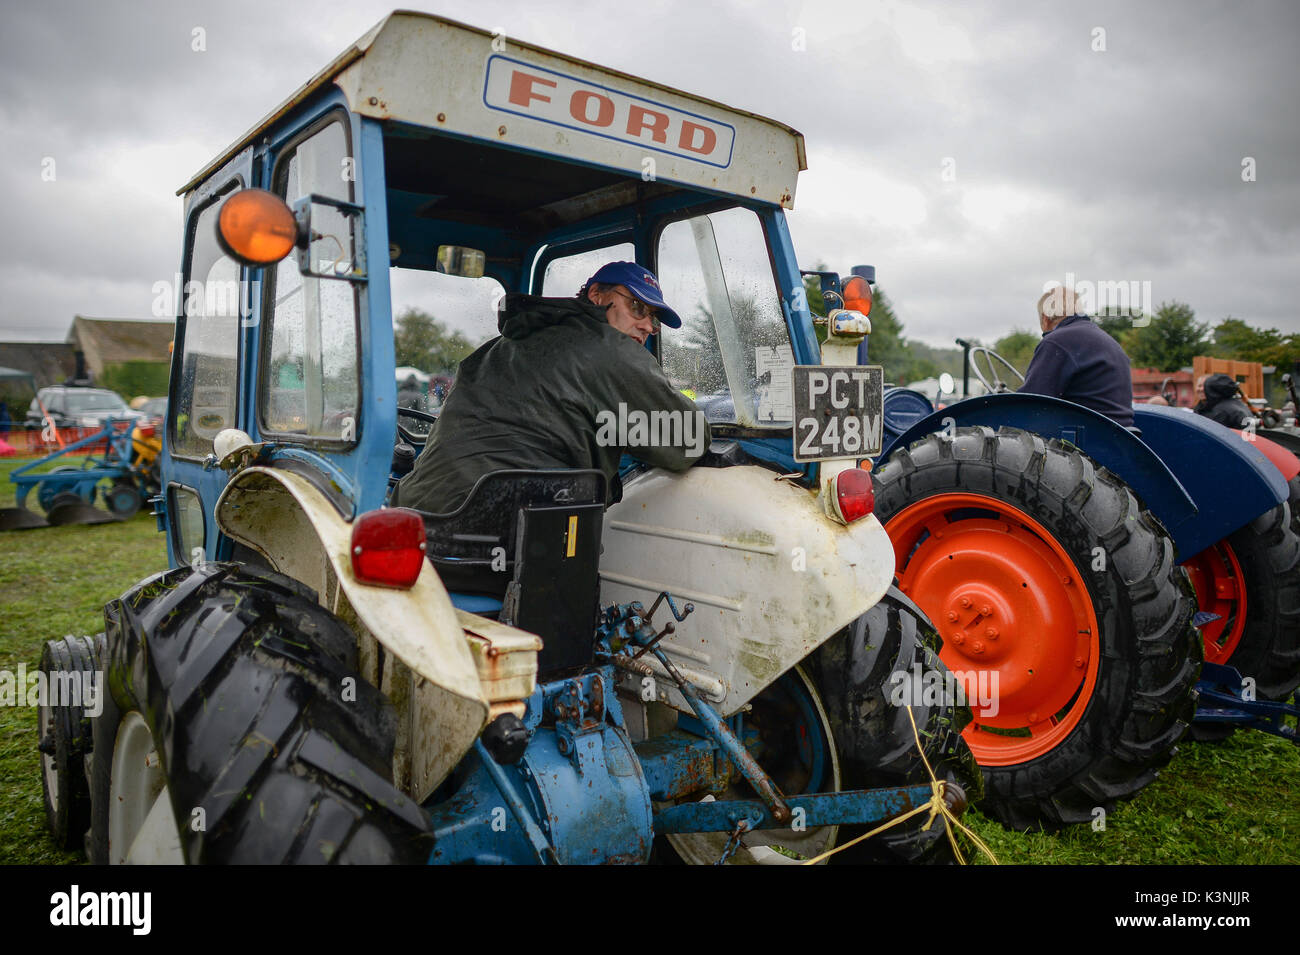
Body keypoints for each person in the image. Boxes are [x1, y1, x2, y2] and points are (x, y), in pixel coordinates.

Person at [393, 262, 706, 513]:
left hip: (416, 521)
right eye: (637, 307)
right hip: (504, 538)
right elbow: (689, 438)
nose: (648, 326)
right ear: (597, 295)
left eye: (655, 319)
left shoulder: (494, 350)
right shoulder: (614, 351)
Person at [1018, 286, 1135, 428]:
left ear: (1045, 319)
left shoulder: (1056, 341)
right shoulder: (1108, 341)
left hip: (1087, 437)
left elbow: (1030, 404)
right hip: (1120, 435)